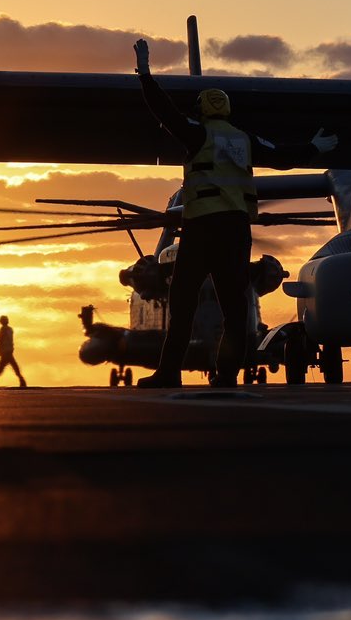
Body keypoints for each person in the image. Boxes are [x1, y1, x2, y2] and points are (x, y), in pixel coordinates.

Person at [132, 39, 336, 387]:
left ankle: (169, 373)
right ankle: (227, 374)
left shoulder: (196, 134)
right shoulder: (244, 140)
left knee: (182, 305)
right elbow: (281, 156)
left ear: (200, 111)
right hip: (235, 231)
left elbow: (164, 111)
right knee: (236, 308)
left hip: (200, 229)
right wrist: (314, 148)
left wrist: (145, 74)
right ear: (227, 111)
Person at [0, 314, 26, 387]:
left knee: (1, 368)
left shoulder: (3, 329)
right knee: (13, 367)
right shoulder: (10, 329)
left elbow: (0, 340)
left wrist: (0, 349)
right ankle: (22, 381)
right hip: (9, 350)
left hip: (5, 351)